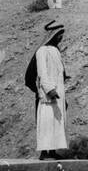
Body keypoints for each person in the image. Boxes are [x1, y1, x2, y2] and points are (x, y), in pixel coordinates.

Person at [26, 19, 68, 160]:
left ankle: (53, 151)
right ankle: (44, 152)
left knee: (55, 123)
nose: (61, 37)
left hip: (58, 94)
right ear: (53, 35)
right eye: (59, 34)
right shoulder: (42, 51)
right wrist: (50, 90)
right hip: (47, 95)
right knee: (46, 123)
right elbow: (42, 73)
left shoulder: (55, 51)